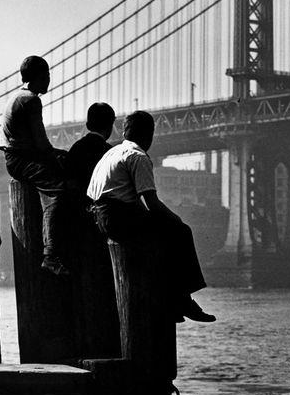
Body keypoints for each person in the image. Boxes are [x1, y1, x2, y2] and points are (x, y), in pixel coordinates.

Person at [87, 110, 215, 323]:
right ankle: (182, 300)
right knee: (180, 232)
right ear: (149, 134)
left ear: (126, 131)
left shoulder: (110, 154)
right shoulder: (137, 156)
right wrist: (175, 220)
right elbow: (151, 202)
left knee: (160, 238)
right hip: (119, 217)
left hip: (100, 217)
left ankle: (174, 300)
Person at [0, 55, 68, 276]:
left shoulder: (17, 97)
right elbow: (41, 143)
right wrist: (58, 158)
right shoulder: (31, 100)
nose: (49, 80)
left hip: (16, 158)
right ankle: (51, 255)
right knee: (57, 190)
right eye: (47, 75)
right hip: (22, 160)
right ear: (38, 76)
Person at [66, 102, 116, 193]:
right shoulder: (110, 152)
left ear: (87, 125)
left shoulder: (76, 147)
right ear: (110, 126)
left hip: (77, 203)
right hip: (99, 203)